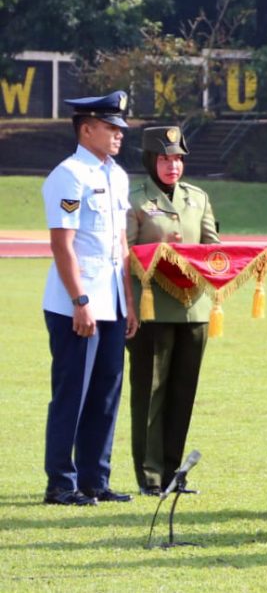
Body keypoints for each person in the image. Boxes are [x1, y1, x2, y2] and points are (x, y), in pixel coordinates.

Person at [41, 90, 138, 506]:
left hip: (111, 299)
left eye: (120, 127)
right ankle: (61, 482)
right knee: (73, 394)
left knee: (106, 393)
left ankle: (95, 479)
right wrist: (80, 301)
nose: (119, 134)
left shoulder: (117, 175)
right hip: (76, 302)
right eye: (110, 127)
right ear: (86, 130)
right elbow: (62, 245)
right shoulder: (69, 175)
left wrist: (128, 301)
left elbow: (120, 244)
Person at [126, 126, 220, 495]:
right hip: (152, 309)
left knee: (183, 391)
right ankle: (150, 475)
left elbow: (213, 248)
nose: (173, 166)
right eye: (165, 159)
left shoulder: (197, 198)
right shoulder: (136, 200)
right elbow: (125, 256)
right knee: (150, 393)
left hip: (193, 309)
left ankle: (172, 473)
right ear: (151, 160)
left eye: (178, 159)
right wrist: (161, 257)